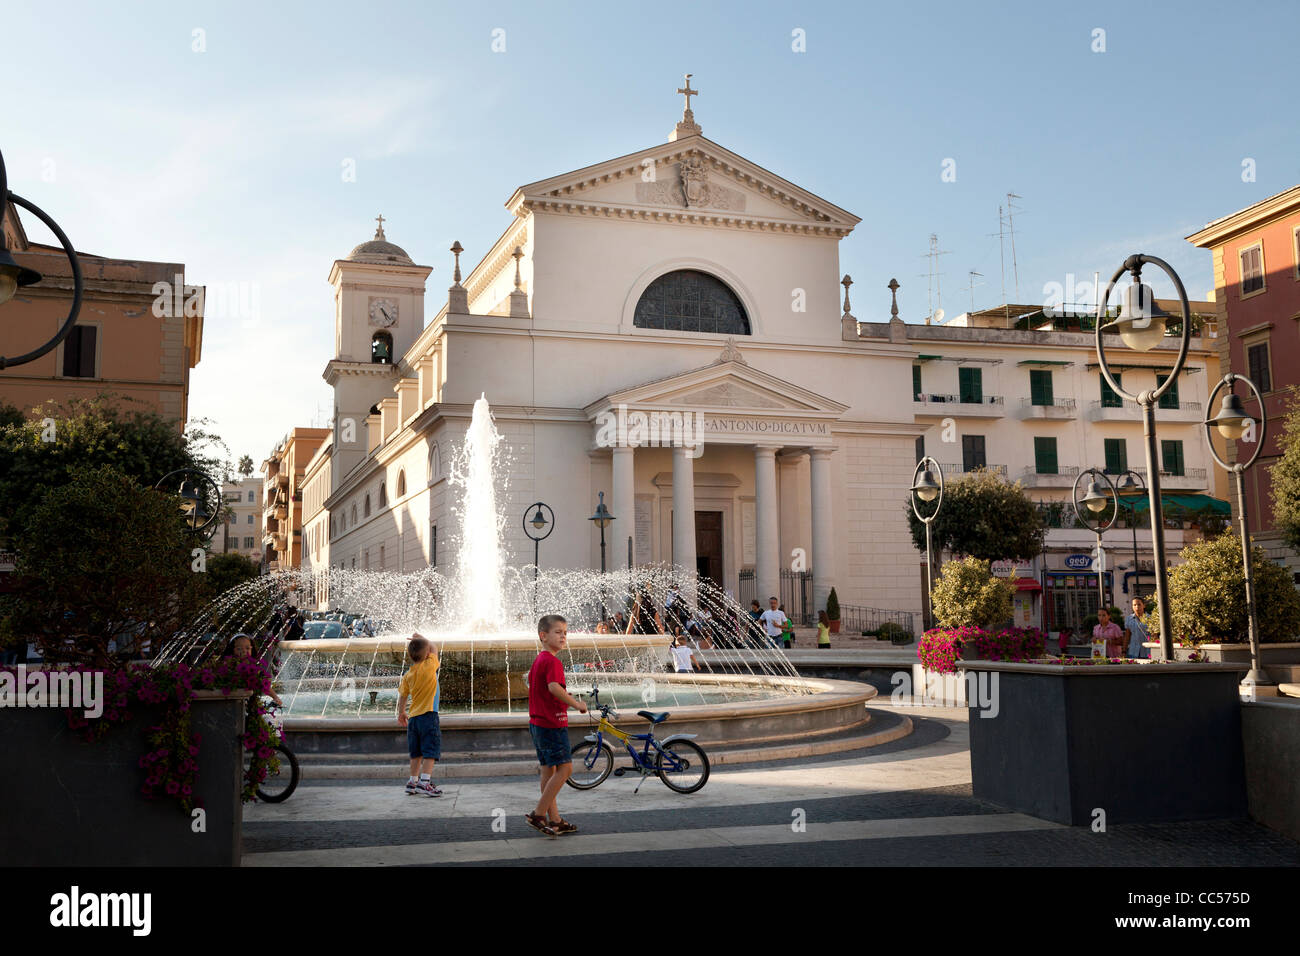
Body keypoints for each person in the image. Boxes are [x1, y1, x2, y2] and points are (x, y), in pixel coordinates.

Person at [527, 614, 587, 837]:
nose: (563, 636)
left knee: (548, 771)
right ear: (543, 636)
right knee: (566, 768)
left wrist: (562, 698)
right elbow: (553, 687)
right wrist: (576, 704)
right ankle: (538, 814)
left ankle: (556, 820)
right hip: (552, 724)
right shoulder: (552, 661)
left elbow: (545, 691)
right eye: (558, 632)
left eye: (565, 632)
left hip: (538, 723)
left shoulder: (538, 661)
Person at [397, 633, 442, 797]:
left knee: (416, 752)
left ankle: (412, 781)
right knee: (431, 750)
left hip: (414, 718)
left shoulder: (408, 675)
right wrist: (424, 638)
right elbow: (435, 648)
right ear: (428, 655)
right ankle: (425, 782)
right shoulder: (430, 666)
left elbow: (403, 695)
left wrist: (401, 712)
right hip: (428, 715)